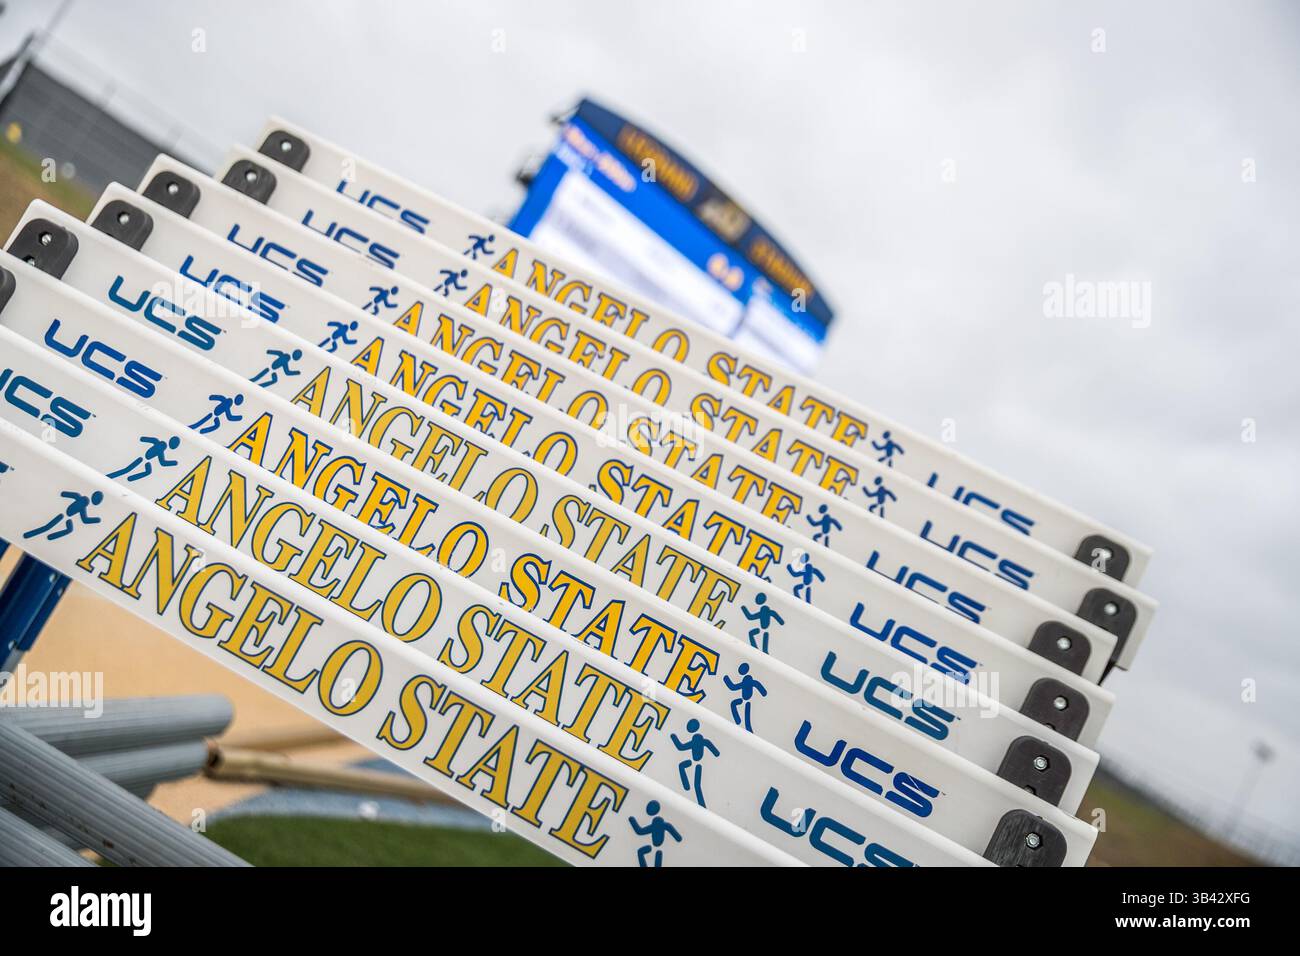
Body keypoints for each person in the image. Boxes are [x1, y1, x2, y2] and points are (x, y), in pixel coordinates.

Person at [628, 800, 681, 867]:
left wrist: (632, 821)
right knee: (656, 854)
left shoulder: (659, 826)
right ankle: (643, 854)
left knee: (654, 854)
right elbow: (677, 837)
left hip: (656, 847)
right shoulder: (664, 825)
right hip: (657, 848)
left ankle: (643, 854)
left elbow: (639, 831)